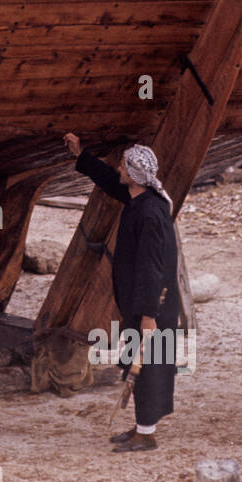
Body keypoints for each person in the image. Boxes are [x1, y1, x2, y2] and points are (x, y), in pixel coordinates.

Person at [63, 133, 179, 453]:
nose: (119, 168)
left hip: (153, 304)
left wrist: (148, 316)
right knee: (137, 361)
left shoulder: (151, 213)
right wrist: (82, 155)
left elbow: (152, 269)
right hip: (142, 303)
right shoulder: (139, 198)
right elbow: (112, 183)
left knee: (150, 365)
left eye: (124, 165)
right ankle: (143, 426)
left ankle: (147, 434)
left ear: (136, 173)